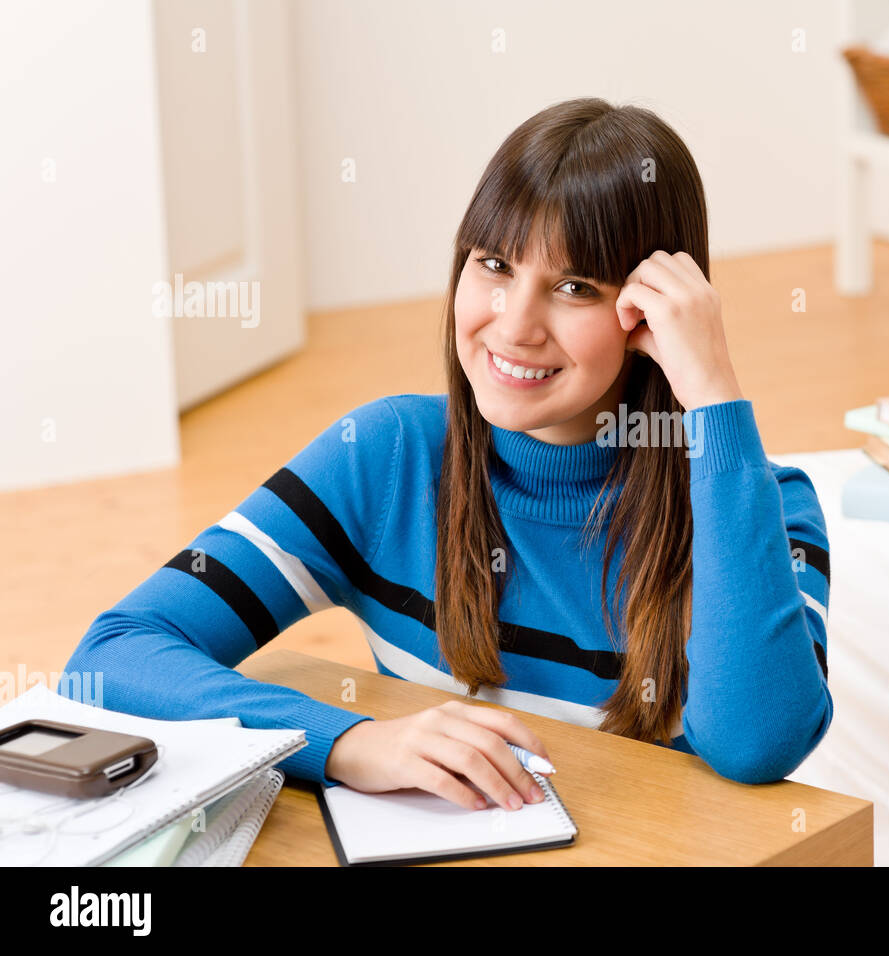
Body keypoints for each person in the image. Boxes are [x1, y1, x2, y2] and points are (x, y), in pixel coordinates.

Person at [62, 97, 832, 814]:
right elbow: (116, 655)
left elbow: (756, 746)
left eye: (572, 286)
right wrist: (350, 742)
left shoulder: (762, 504)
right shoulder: (386, 457)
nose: (514, 324)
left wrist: (715, 404)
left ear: (652, 314)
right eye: (494, 265)